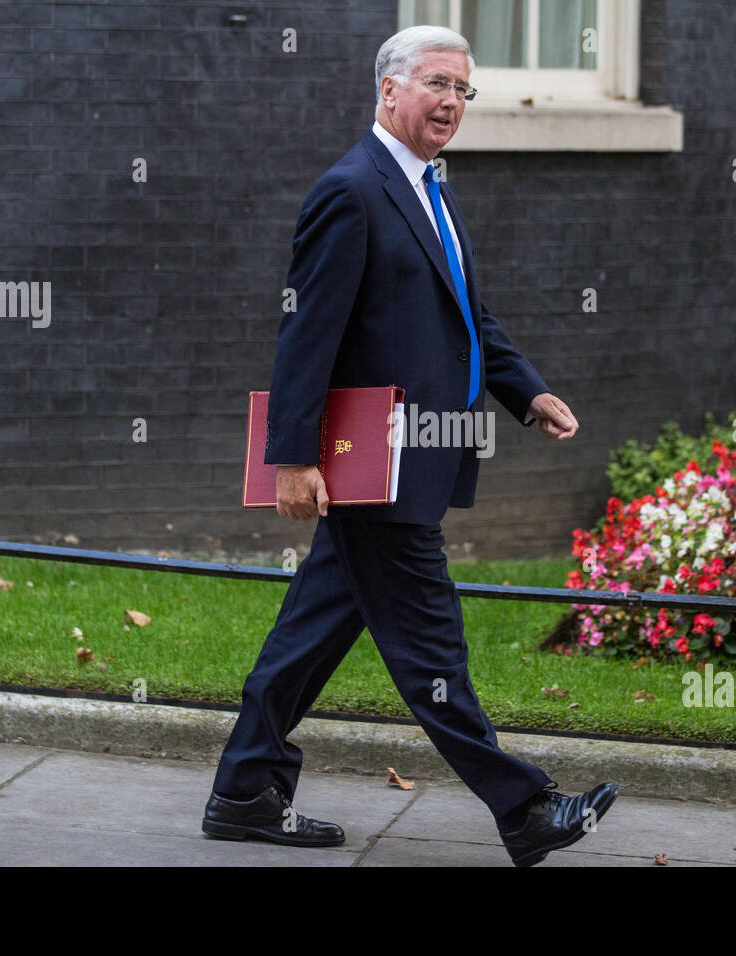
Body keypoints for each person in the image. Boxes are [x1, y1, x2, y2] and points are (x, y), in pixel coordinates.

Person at [202, 24, 618, 867]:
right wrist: (292, 457)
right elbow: (305, 334)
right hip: (375, 467)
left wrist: (525, 390)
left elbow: (467, 314)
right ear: (388, 89)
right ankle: (526, 809)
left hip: (414, 457)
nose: (452, 102)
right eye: (437, 84)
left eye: (464, 90)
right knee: (433, 646)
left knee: (312, 632)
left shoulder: (430, 187)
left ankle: (245, 790)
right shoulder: (350, 191)